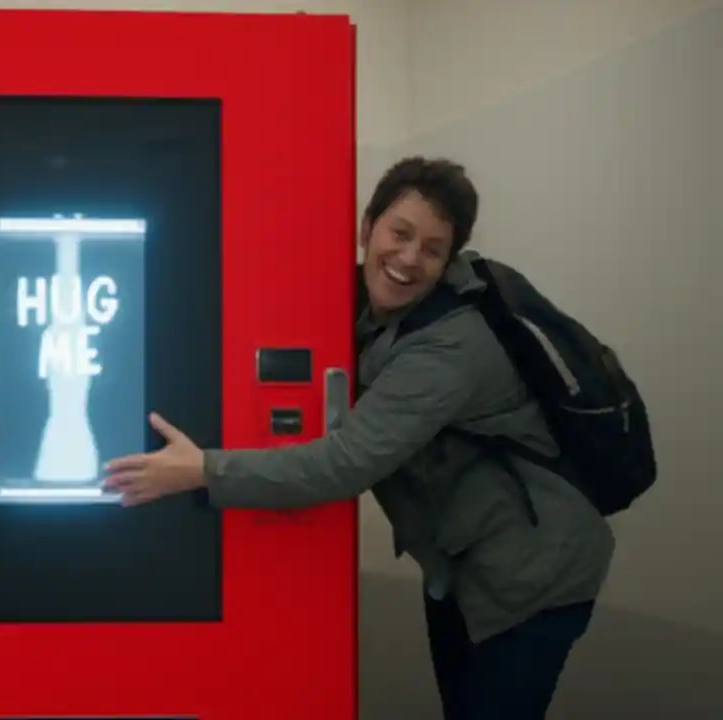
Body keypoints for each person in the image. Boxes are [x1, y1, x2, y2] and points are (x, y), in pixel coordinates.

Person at [103, 157, 614, 720]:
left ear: (447, 263)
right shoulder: (376, 308)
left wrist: (201, 471)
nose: (408, 259)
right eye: (400, 233)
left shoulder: (450, 347)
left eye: (432, 248)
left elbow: (344, 464)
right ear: (368, 228)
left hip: (532, 579)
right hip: (468, 567)